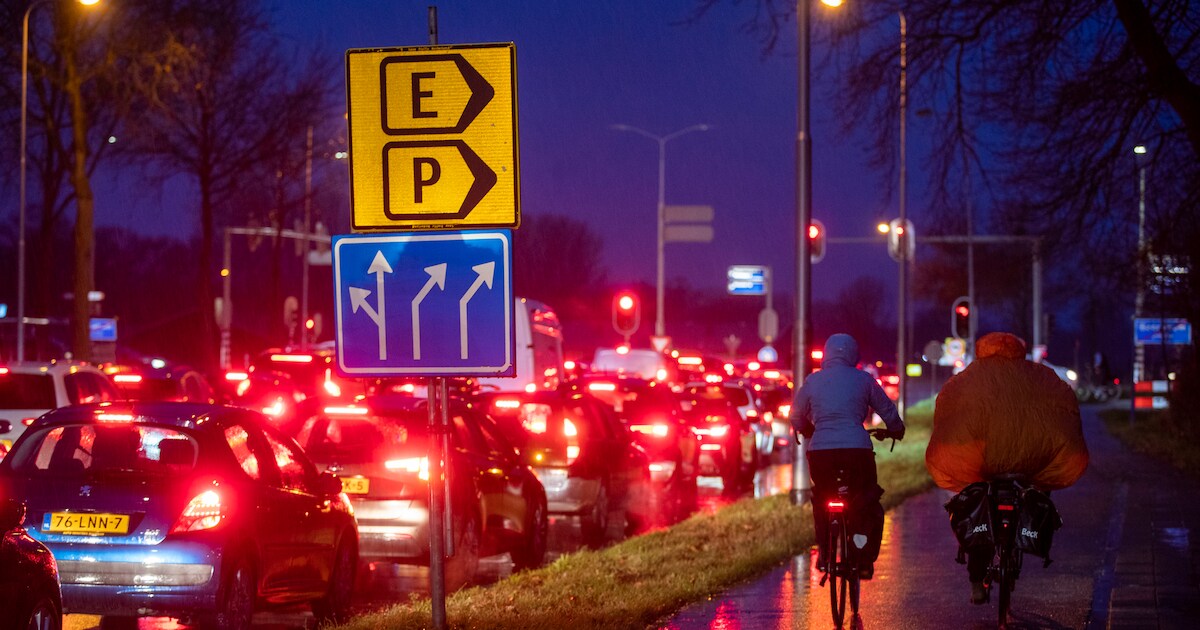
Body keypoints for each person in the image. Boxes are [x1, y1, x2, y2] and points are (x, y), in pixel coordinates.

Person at [926, 331, 1088, 604]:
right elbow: (1063, 404)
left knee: (980, 515)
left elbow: (946, 410)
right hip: (1027, 462)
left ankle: (977, 581)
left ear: (983, 350)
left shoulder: (968, 378)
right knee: (1037, 491)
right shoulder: (1039, 376)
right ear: (1018, 350)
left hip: (985, 463)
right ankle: (1028, 532)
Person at [791, 333, 905, 578]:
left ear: (826, 355)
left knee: (822, 497)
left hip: (821, 454)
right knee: (864, 499)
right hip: (857, 452)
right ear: (853, 355)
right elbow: (887, 409)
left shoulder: (813, 381)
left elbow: (796, 414)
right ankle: (862, 558)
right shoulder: (864, 380)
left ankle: (824, 553)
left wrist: (809, 429)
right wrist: (896, 429)